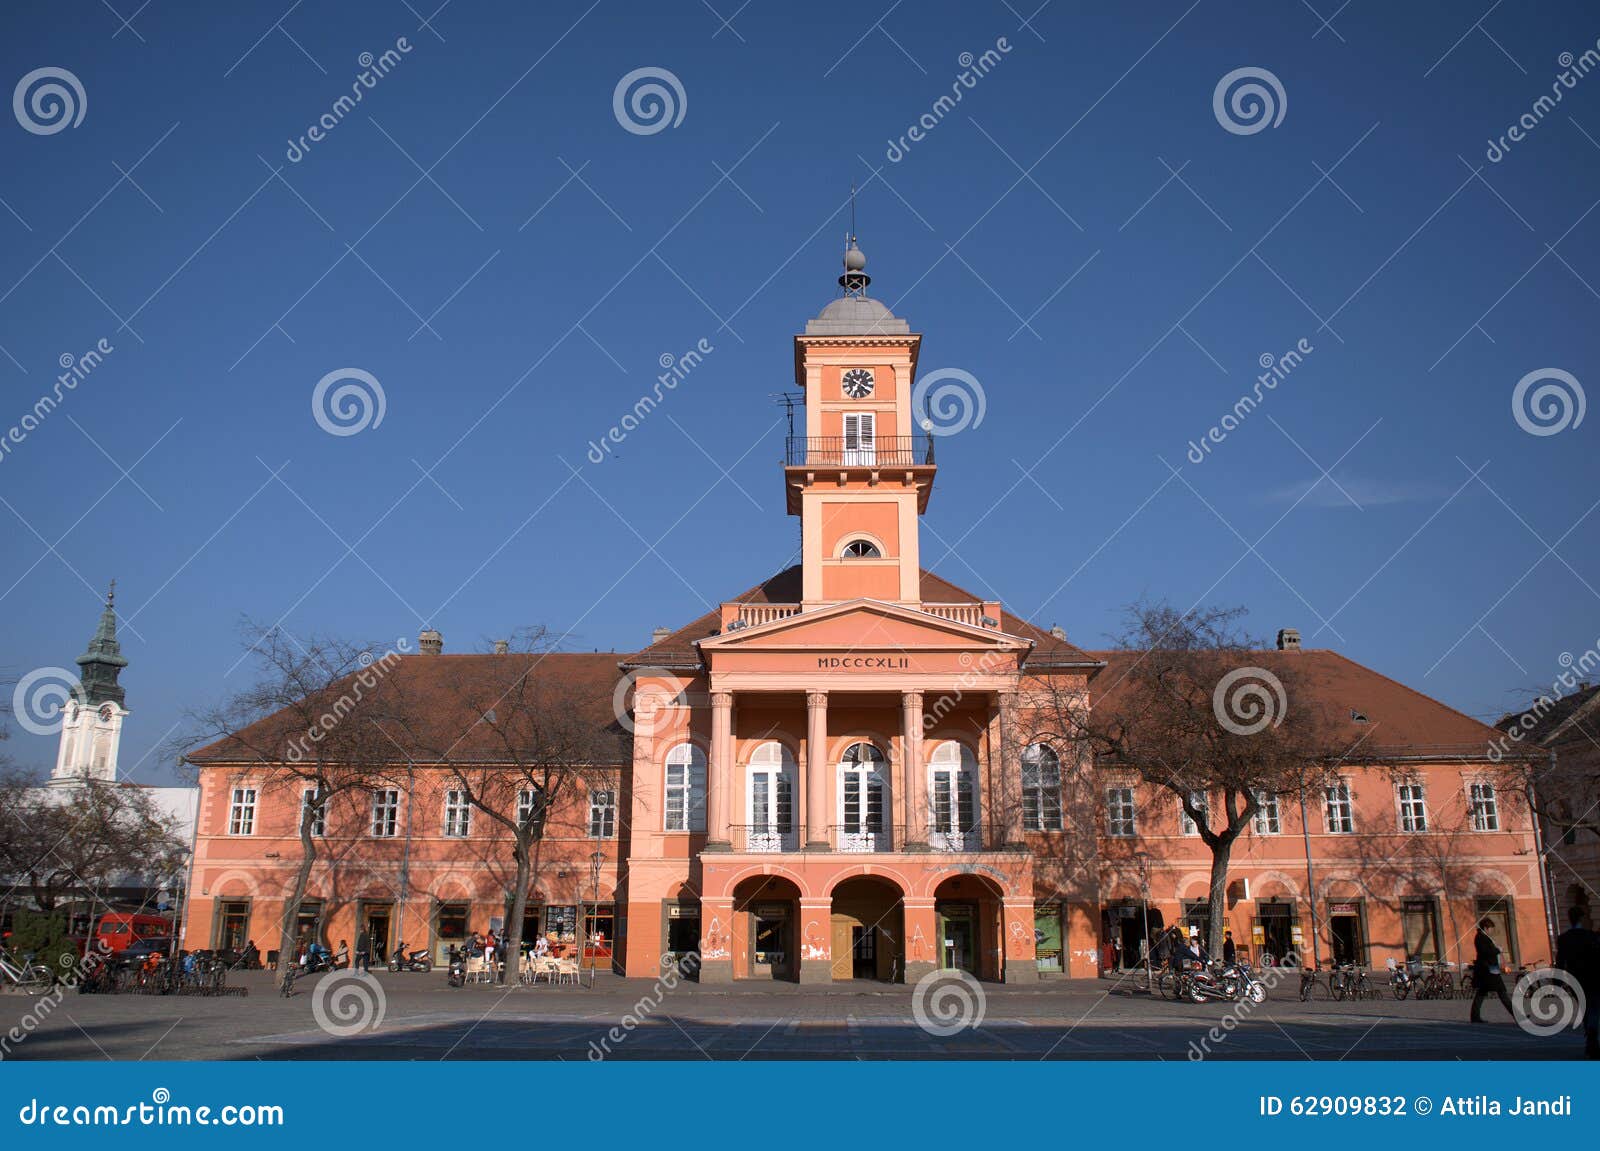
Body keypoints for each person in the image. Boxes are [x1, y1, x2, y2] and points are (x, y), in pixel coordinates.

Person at [1555, 905, 1600, 1059]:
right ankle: (1593, 1036)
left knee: (1585, 1007)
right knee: (1594, 1007)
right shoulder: (1591, 936)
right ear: (1582, 918)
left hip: (1576, 979)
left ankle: (1591, 1037)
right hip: (1594, 977)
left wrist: (1557, 983)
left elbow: (1560, 962)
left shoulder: (1564, 938)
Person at [1469, 917, 1515, 1022]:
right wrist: (1497, 950)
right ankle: (1517, 1015)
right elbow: (1486, 952)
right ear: (1486, 928)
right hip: (1488, 970)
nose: (1491, 931)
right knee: (1502, 992)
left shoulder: (1483, 937)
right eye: (1490, 929)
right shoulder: (1481, 938)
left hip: (1489, 969)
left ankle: (1474, 1016)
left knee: (1482, 993)